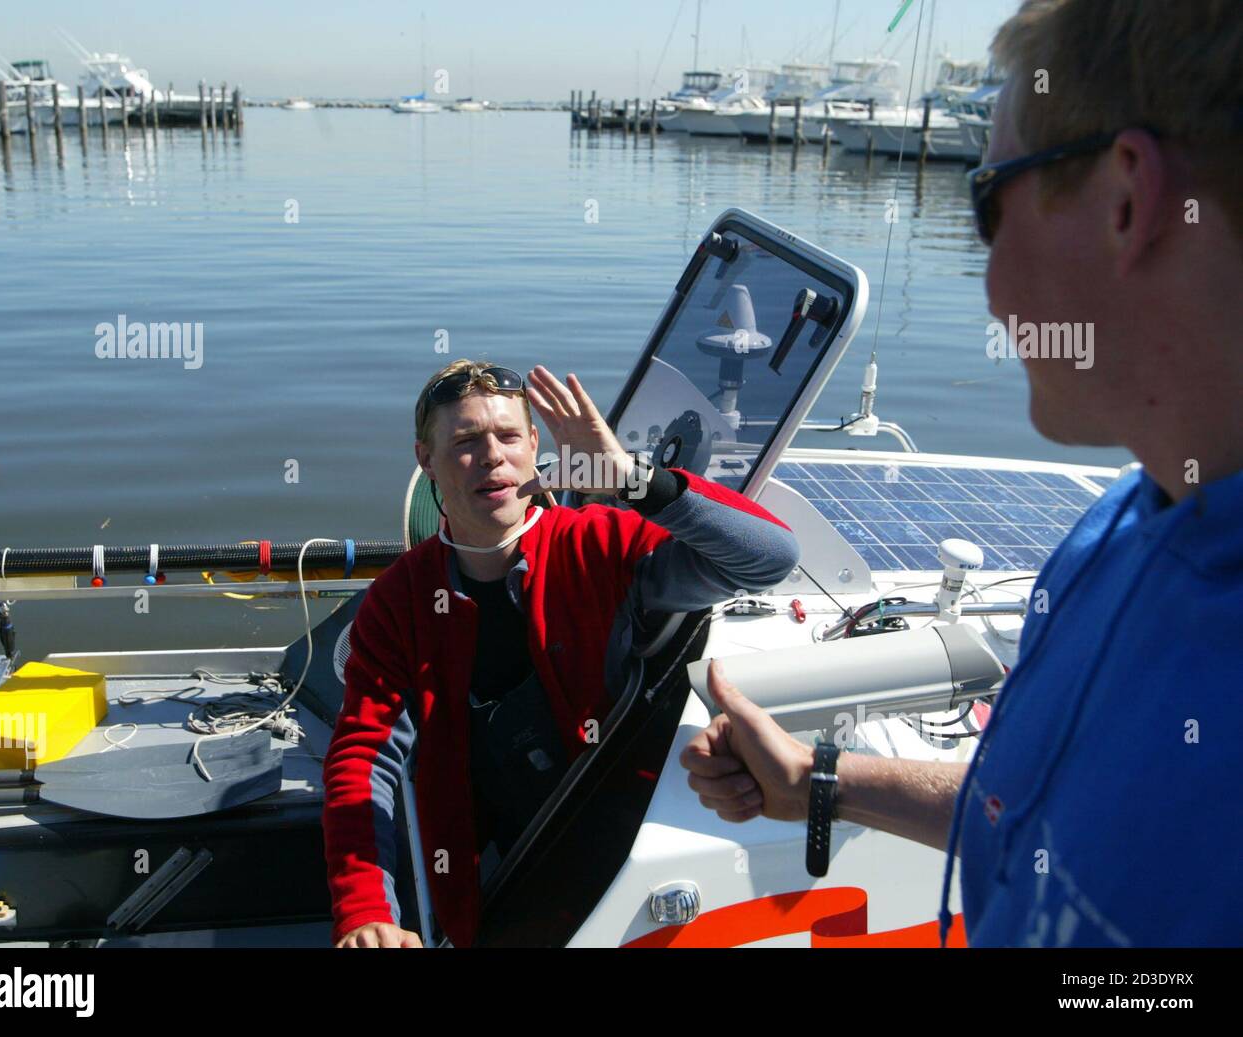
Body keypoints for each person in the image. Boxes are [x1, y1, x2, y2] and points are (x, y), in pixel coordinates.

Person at [682, 0, 1243, 947]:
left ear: (1125, 202)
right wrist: (826, 780)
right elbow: (1034, 807)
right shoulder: (1121, 528)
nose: (986, 280)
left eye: (987, 198)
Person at [324, 359, 800, 947]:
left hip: (618, 843)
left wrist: (631, 478)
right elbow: (363, 760)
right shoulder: (399, 602)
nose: (492, 456)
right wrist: (366, 909)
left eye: (508, 436)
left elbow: (769, 558)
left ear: (533, 446)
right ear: (426, 460)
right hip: (490, 866)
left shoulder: (597, 543)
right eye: (466, 442)